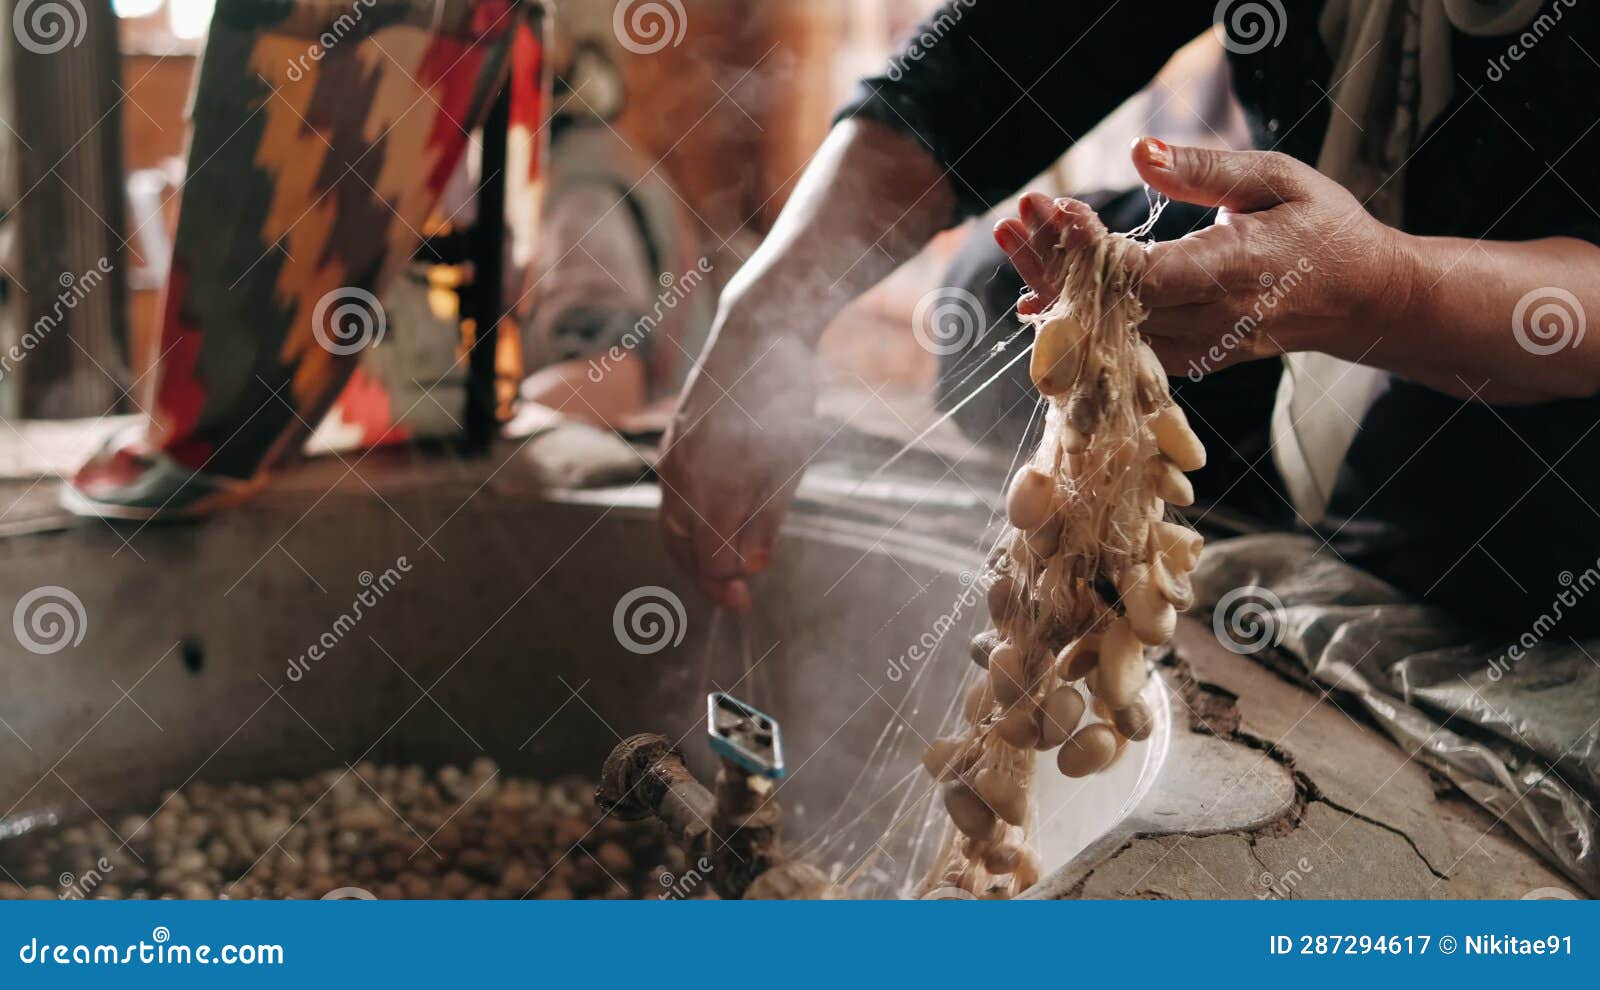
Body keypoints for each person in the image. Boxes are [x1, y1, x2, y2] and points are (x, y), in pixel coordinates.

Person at [657, 1, 1600, 637]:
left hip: (1537, 341)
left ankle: (1348, 520)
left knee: (1481, 517)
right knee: (993, 306)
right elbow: (991, 58)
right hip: (1339, 263)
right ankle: (1251, 508)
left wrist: (1382, 295)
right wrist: (768, 315)